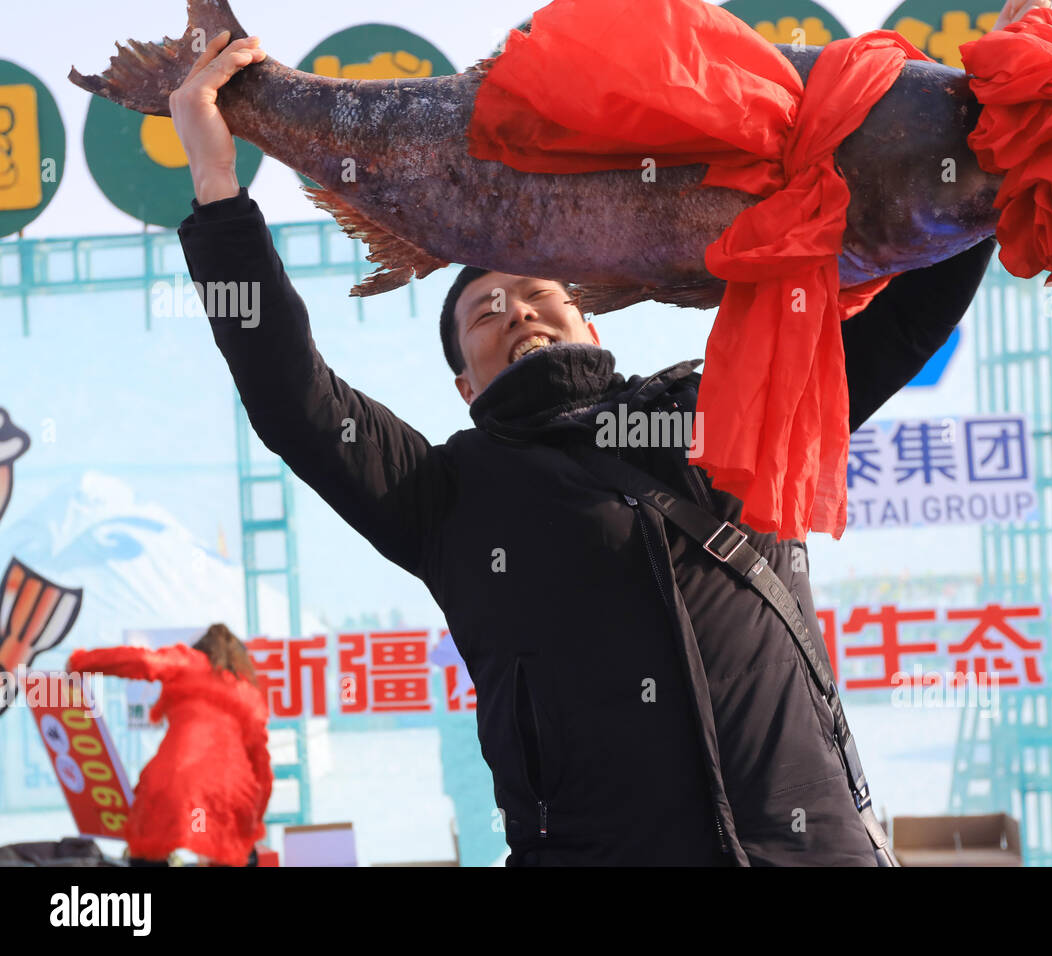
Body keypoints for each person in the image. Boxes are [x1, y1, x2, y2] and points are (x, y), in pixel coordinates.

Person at [169, 21, 1002, 866]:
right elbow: (289, 397)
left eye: (536, 293)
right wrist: (215, 187)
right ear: (465, 386)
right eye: (483, 315)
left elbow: (910, 314)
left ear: (588, 319)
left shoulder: (720, 404)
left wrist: (1004, 123)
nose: (516, 313)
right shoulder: (441, 495)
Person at [66, 624, 272, 867]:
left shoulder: (187, 662)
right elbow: (262, 769)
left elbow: (140, 659)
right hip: (221, 798)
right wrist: (252, 825)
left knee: (149, 849)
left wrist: (81, 662)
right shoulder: (249, 694)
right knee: (208, 838)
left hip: (175, 786)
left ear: (202, 649)